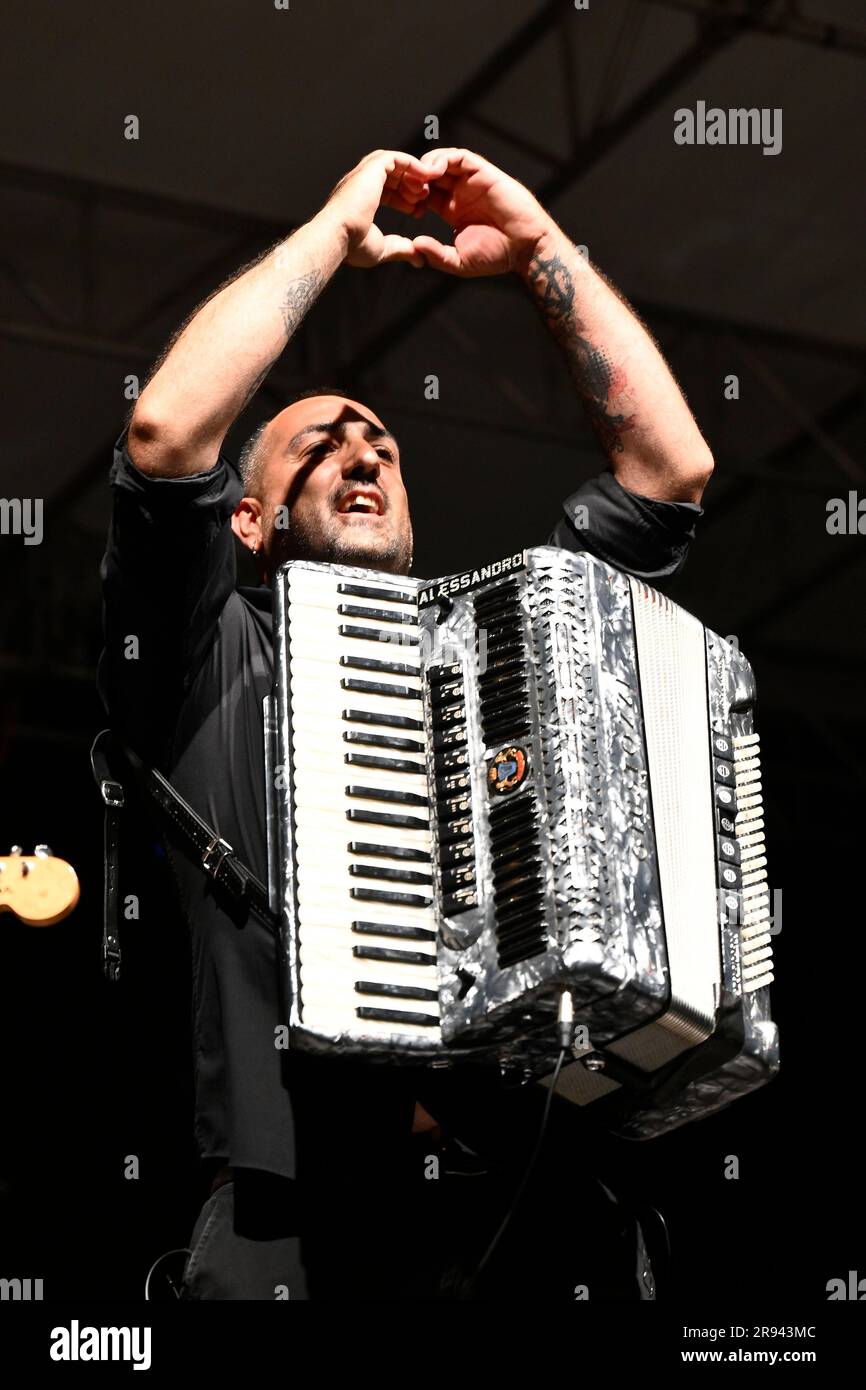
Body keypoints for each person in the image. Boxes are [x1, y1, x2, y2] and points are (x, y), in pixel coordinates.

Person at [98, 147, 713, 1300]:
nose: (363, 448)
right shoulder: (209, 653)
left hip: (531, 1208)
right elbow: (167, 438)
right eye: (319, 444)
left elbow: (669, 469)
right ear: (247, 519)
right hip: (302, 1227)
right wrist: (337, 224)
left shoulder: (499, 648)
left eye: (380, 440)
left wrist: (536, 247)